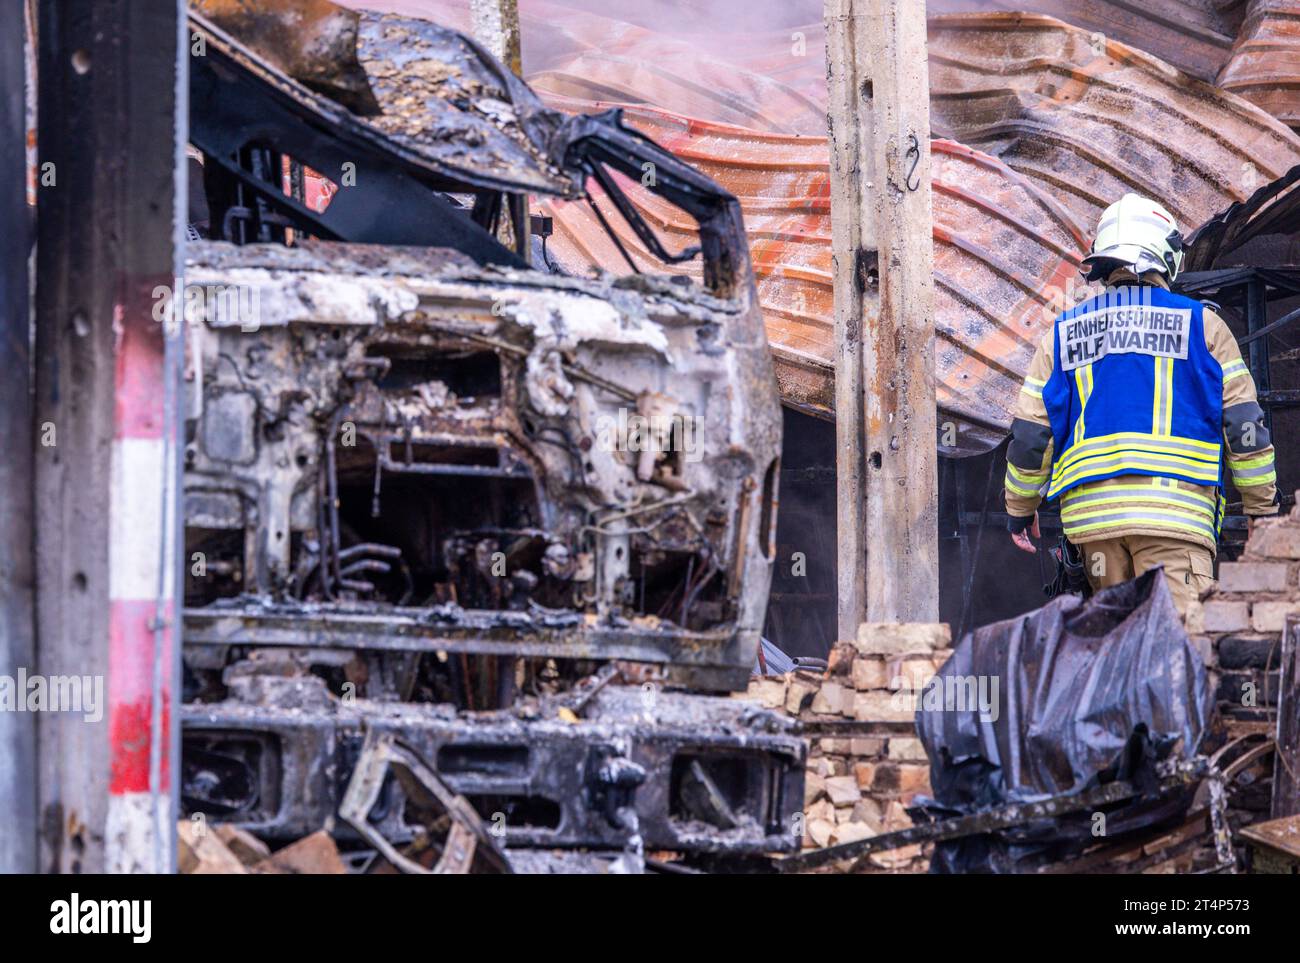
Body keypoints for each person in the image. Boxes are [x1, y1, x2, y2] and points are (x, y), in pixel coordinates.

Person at [1004, 193, 1278, 618]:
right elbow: (1244, 428)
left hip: (1094, 528)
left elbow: (1030, 436)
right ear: (1162, 255)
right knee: (1176, 654)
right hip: (1176, 521)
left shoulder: (1062, 334)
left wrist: (1019, 511)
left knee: (1118, 652)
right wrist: (1263, 514)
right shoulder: (1203, 326)